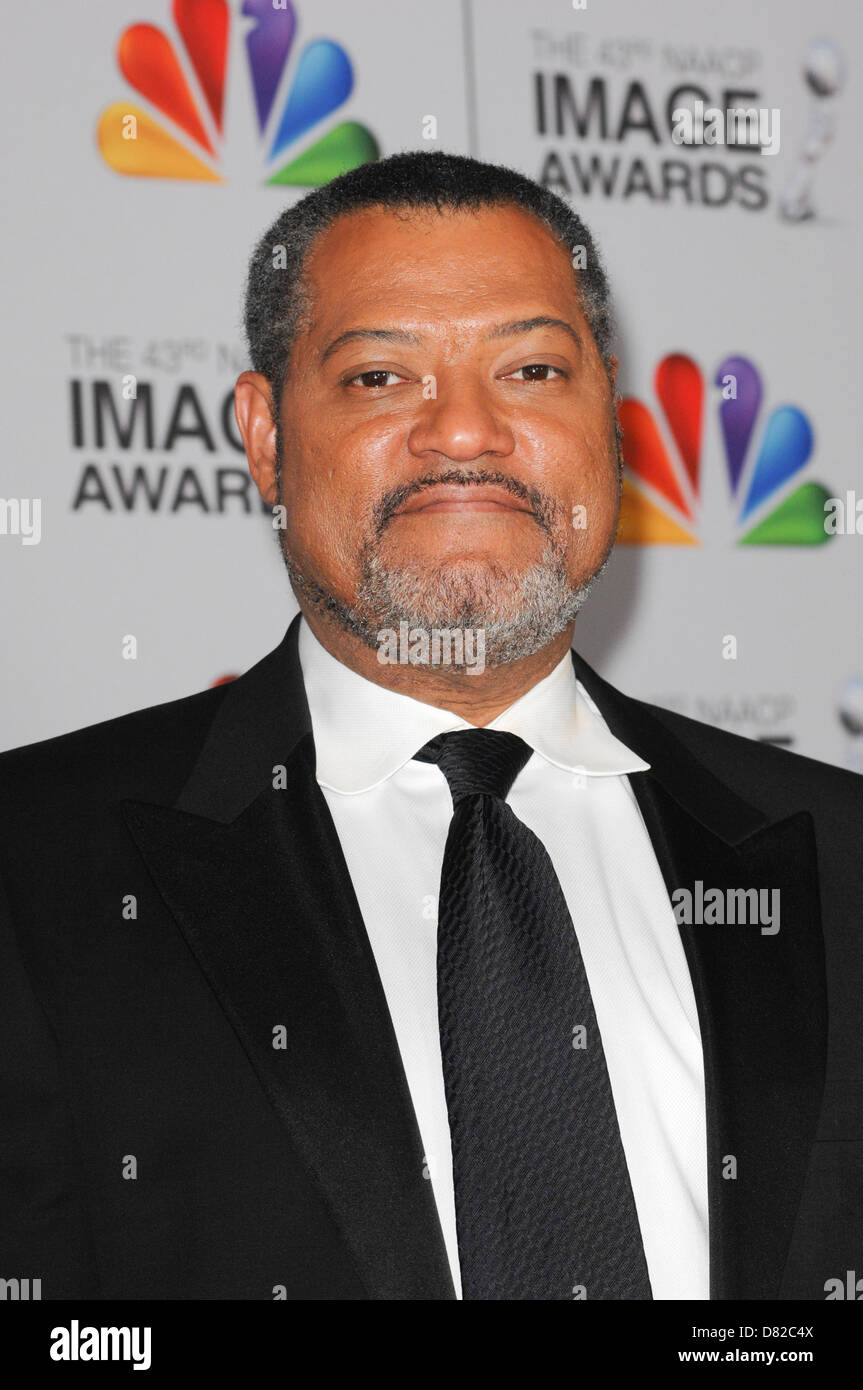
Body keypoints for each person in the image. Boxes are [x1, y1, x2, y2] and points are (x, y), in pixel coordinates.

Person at [1, 151, 860, 1301]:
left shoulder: (835, 851)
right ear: (263, 435)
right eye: (378, 378)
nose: (463, 431)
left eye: (531, 367)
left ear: (606, 417)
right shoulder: (35, 865)